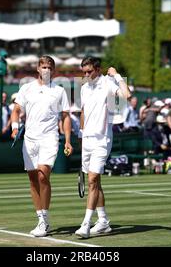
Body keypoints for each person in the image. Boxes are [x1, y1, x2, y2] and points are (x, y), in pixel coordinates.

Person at [10, 55, 72, 237]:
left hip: (49, 138)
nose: (46, 70)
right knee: (32, 179)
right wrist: (14, 128)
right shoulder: (26, 88)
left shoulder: (60, 91)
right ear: (38, 68)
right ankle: (40, 218)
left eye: (49, 67)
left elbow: (65, 116)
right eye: (43, 67)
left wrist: (67, 140)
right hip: (30, 139)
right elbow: (16, 110)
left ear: (54, 70)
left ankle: (44, 218)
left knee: (43, 175)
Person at [75, 56, 131, 239]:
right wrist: (81, 135)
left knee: (92, 180)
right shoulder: (83, 88)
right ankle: (104, 221)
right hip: (88, 140)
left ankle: (85, 224)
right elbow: (83, 112)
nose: (86, 75)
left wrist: (117, 75)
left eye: (89, 71)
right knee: (95, 182)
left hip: (102, 139)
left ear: (98, 69)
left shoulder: (108, 82)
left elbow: (127, 95)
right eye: (84, 72)